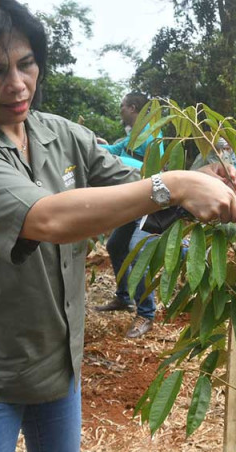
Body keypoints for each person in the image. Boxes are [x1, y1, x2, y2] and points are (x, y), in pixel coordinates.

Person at [0, 1, 236, 452]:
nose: (17, 84)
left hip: (57, 364)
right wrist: (175, 184)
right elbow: (49, 218)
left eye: (26, 63)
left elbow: (134, 186)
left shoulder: (58, 133)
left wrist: (198, 180)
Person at [94, 92, 161, 339]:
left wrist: (112, 157)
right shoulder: (131, 135)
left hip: (148, 200)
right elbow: (113, 150)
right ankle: (124, 298)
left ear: (132, 108)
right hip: (131, 199)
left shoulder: (153, 134)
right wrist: (96, 145)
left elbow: (150, 168)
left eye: (122, 106)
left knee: (137, 248)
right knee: (116, 245)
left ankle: (146, 314)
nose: (120, 109)